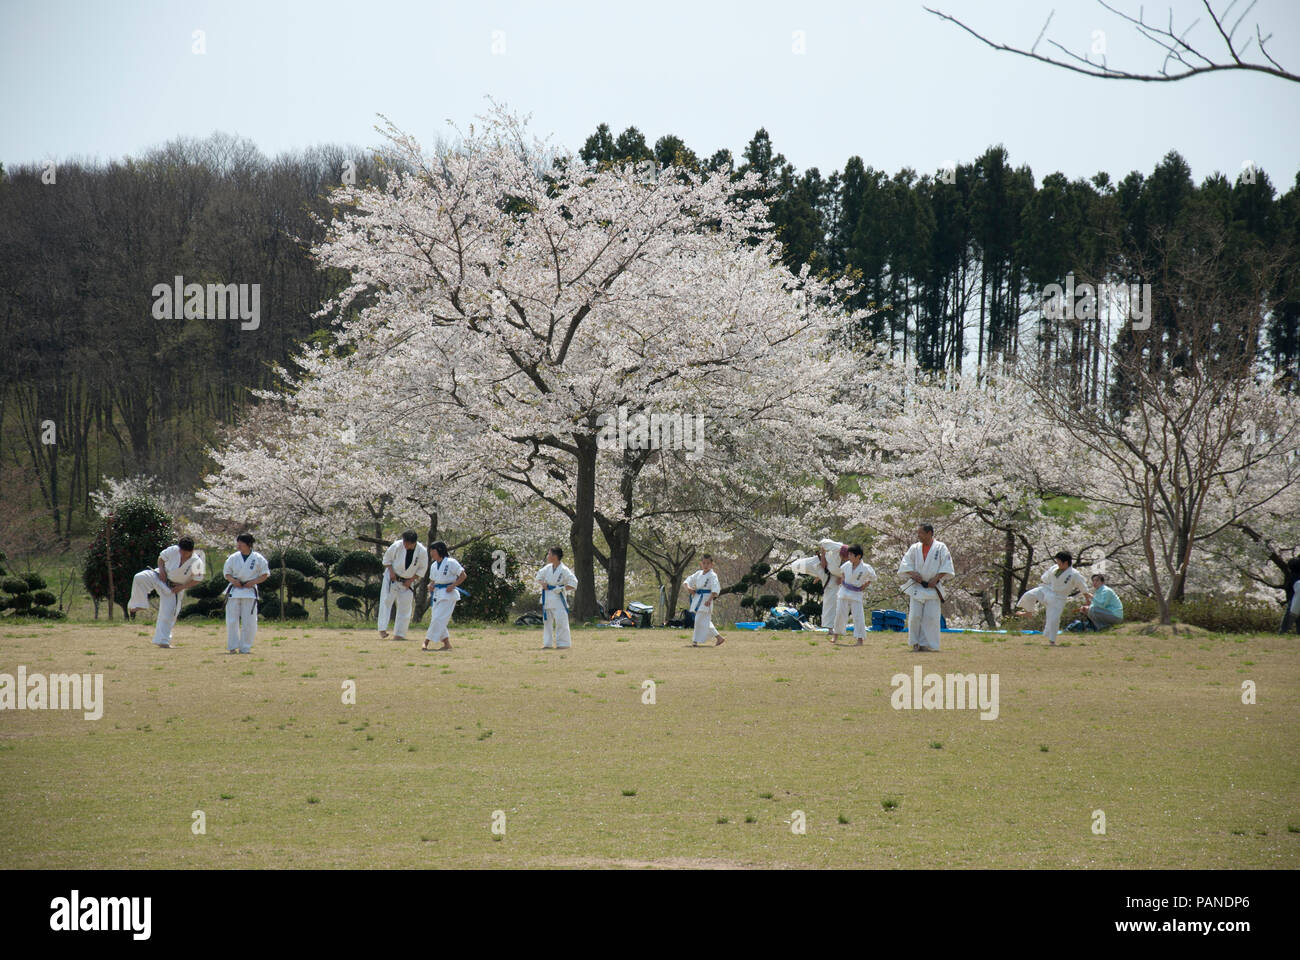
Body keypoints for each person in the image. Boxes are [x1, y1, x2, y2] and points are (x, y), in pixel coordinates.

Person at [128, 536, 206, 648]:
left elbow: (197, 580)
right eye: (182, 552)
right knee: (140, 577)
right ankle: (139, 604)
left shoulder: (197, 561)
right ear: (179, 549)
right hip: (160, 577)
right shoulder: (173, 549)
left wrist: (181, 587)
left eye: (186, 553)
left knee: (169, 614)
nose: (183, 555)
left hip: (174, 588)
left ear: (192, 551)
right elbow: (161, 559)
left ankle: (163, 641)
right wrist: (162, 571)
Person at [898, 524, 954, 652]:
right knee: (914, 617)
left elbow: (947, 566)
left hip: (932, 588)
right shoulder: (914, 548)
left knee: (931, 617)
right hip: (918, 587)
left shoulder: (941, 547)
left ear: (929, 533)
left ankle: (927, 644)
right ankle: (915, 643)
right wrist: (913, 574)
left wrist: (937, 578)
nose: (918, 536)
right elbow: (905, 564)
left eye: (921, 533)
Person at [1015, 551, 1090, 646]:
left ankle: (1052, 641)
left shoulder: (1074, 574)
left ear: (1066, 562)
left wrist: (1087, 598)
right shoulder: (1054, 568)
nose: (1057, 564)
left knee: (1053, 619)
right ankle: (1029, 612)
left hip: (1059, 598)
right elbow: (1045, 578)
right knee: (1029, 595)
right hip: (1047, 590)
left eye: (1059, 562)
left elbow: (1082, 586)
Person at [222, 533, 269, 654]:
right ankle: (232, 646)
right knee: (232, 620)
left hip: (249, 592)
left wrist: (253, 581)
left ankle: (245, 647)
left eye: (241, 544)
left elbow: (265, 574)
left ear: (248, 545)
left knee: (249, 621)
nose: (238, 546)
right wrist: (234, 581)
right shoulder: (233, 557)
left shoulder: (258, 558)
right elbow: (226, 573)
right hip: (234, 591)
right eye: (238, 544)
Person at [379, 530, 429, 641]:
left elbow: (422, 568)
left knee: (405, 607)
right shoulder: (397, 545)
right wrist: (391, 572)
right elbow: (387, 560)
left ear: (414, 543)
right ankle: (382, 629)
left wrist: (411, 580)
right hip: (392, 577)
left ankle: (399, 634)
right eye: (404, 542)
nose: (405, 545)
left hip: (407, 581)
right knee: (386, 601)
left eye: (407, 543)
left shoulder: (422, 551)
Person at [423, 541, 466, 651]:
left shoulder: (451, 562)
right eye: (431, 550)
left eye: (433, 550)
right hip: (437, 594)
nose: (431, 553)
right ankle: (447, 644)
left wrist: (453, 585)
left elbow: (463, 575)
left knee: (438, 619)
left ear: (440, 550)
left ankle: (426, 641)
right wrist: (430, 585)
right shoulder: (433, 565)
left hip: (448, 594)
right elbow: (433, 581)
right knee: (437, 619)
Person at [831, 544, 875, 646]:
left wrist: (864, 585)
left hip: (856, 592)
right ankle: (836, 635)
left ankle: (860, 639)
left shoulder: (866, 568)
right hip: (844, 591)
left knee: (858, 616)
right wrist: (842, 580)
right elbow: (842, 573)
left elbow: (872, 578)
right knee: (840, 614)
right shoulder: (847, 565)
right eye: (849, 554)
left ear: (858, 556)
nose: (849, 556)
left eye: (851, 554)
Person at [535, 546, 579, 650]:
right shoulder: (547, 568)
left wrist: (562, 588)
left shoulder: (564, 570)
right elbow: (538, 577)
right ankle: (547, 643)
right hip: (547, 597)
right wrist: (543, 583)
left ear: (555, 556)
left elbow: (574, 583)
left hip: (558, 598)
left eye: (549, 554)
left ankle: (563, 643)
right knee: (547, 623)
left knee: (561, 621)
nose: (548, 556)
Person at [683, 554, 725, 647]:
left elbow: (715, 588)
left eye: (708, 563)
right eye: (704, 563)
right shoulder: (698, 573)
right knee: (704, 620)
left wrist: (710, 599)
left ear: (711, 564)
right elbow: (688, 580)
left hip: (706, 598)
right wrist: (689, 588)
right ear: (701, 563)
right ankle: (719, 638)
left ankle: (695, 641)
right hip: (698, 598)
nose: (706, 565)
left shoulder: (713, 575)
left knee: (698, 620)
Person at [817, 539, 847, 633]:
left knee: (833, 602)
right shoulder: (838, 547)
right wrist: (823, 558)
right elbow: (823, 543)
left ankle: (833, 628)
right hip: (821, 566)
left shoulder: (851, 562)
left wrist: (842, 578)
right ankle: (831, 628)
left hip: (834, 578)